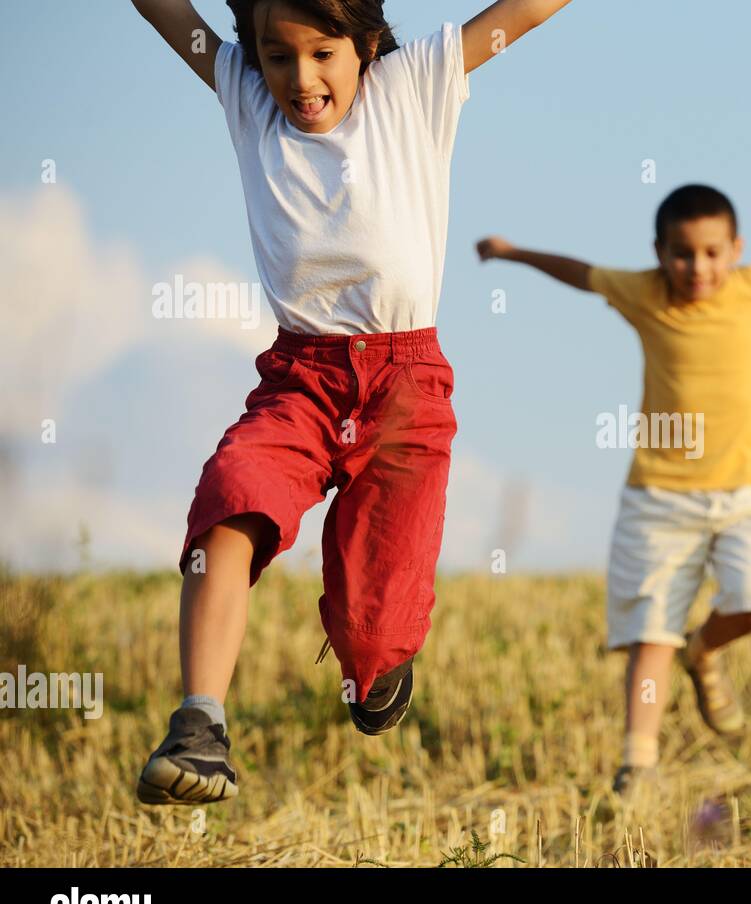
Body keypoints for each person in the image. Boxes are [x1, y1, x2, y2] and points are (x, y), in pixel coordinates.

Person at [130, 0, 573, 805]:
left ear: (365, 44)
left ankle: (377, 655)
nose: (300, 79)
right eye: (277, 56)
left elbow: (529, 12)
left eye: (323, 54)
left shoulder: (416, 85)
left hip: (405, 387)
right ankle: (199, 725)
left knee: (373, 633)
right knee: (231, 498)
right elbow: (166, 13)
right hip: (300, 377)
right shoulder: (244, 95)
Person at [476, 184, 751, 796]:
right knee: (649, 631)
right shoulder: (641, 292)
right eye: (681, 254)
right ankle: (637, 766)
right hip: (661, 496)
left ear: (735, 250)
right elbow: (578, 272)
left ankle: (703, 652)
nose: (695, 268)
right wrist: (514, 254)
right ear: (658, 251)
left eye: (710, 253)